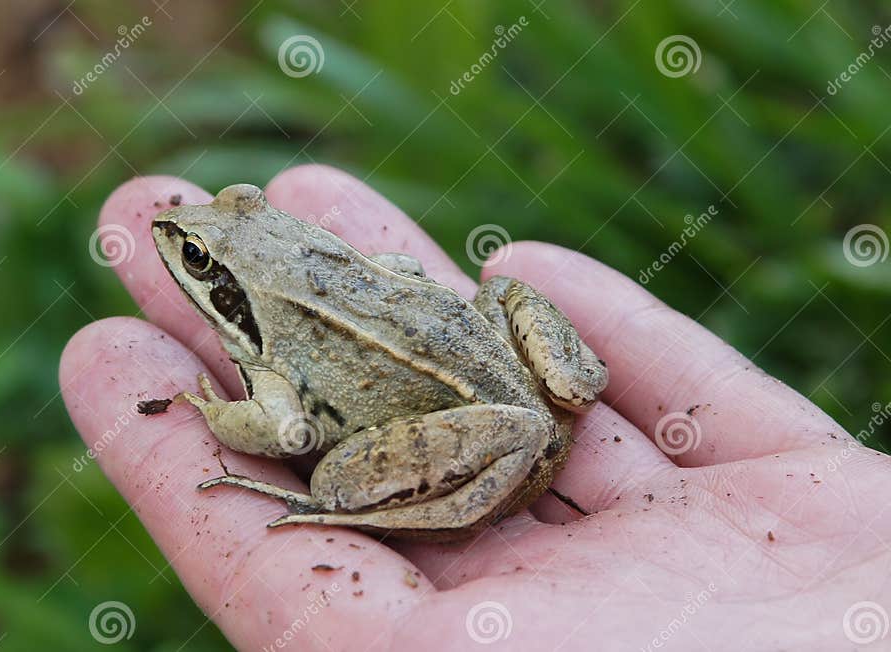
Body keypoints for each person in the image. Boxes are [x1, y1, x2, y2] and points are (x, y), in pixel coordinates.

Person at [60, 164, 891, 651]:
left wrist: (214, 416)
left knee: (335, 477)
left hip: (470, 415)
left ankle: (390, 500)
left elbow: (285, 426)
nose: (182, 238)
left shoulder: (260, 339)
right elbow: (411, 290)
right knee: (504, 300)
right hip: (499, 366)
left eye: (202, 256)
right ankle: (520, 426)